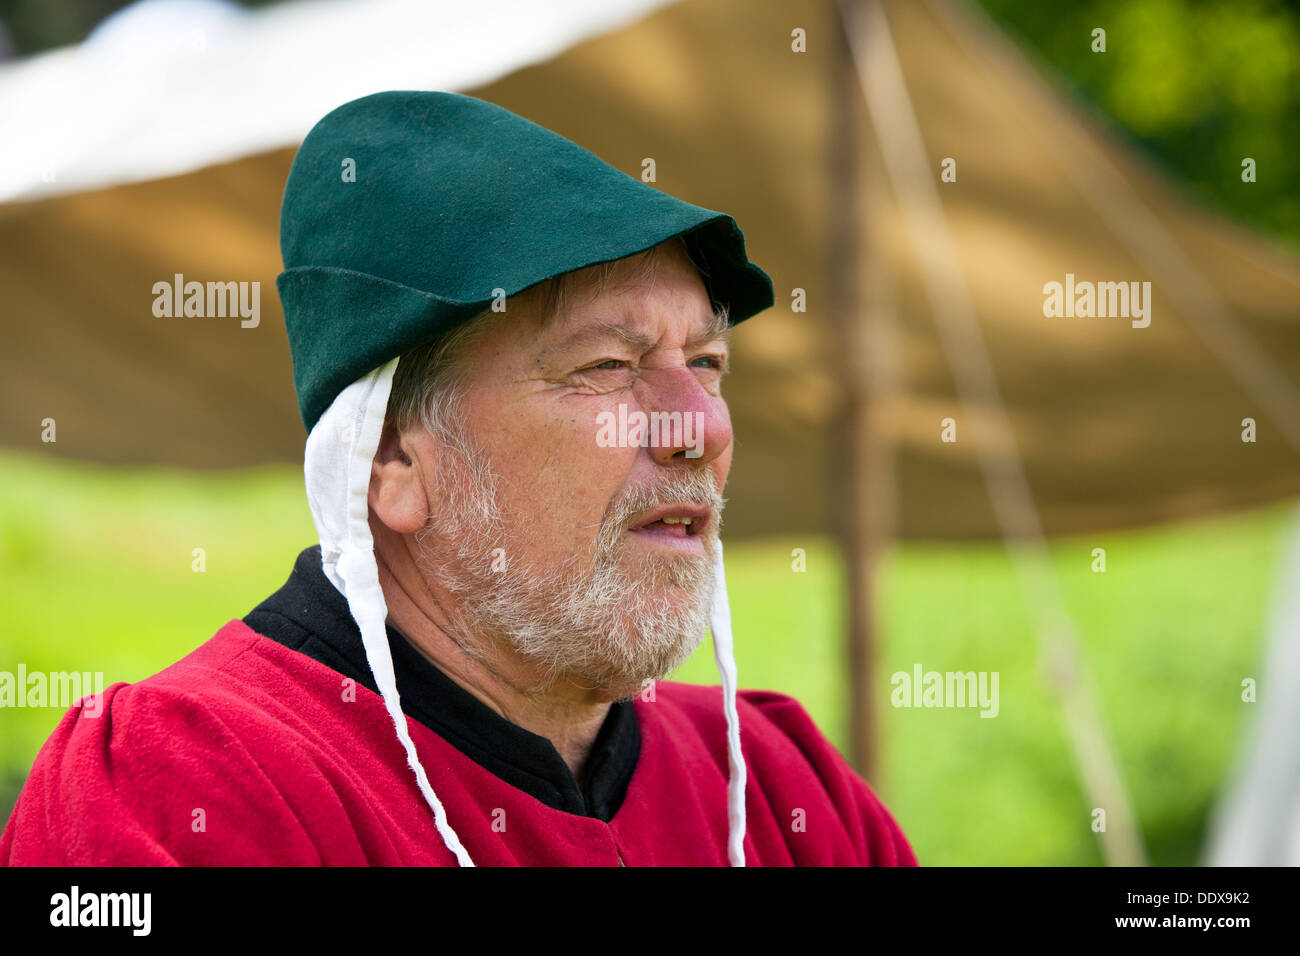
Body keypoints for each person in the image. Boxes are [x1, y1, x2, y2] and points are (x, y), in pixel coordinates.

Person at [1, 91, 916, 866]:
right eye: (606, 366)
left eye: (708, 362)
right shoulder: (181, 791)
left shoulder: (782, 791)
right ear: (393, 458)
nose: (703, 428)